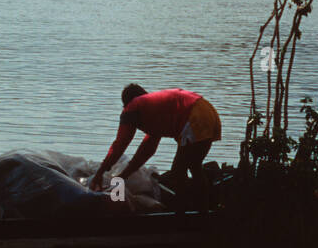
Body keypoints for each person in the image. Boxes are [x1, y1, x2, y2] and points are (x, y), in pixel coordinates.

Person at [90, 84, 221, 213]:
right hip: (208, 111)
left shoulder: (133, 107)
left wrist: (99, 173)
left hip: (195, 116)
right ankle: (202, 211)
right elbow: (146, 151)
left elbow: (119, 145)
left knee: (178, 172)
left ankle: (182, 215)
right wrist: (123, 176)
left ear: (126, 104)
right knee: (194, 167)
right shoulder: (154, 108)